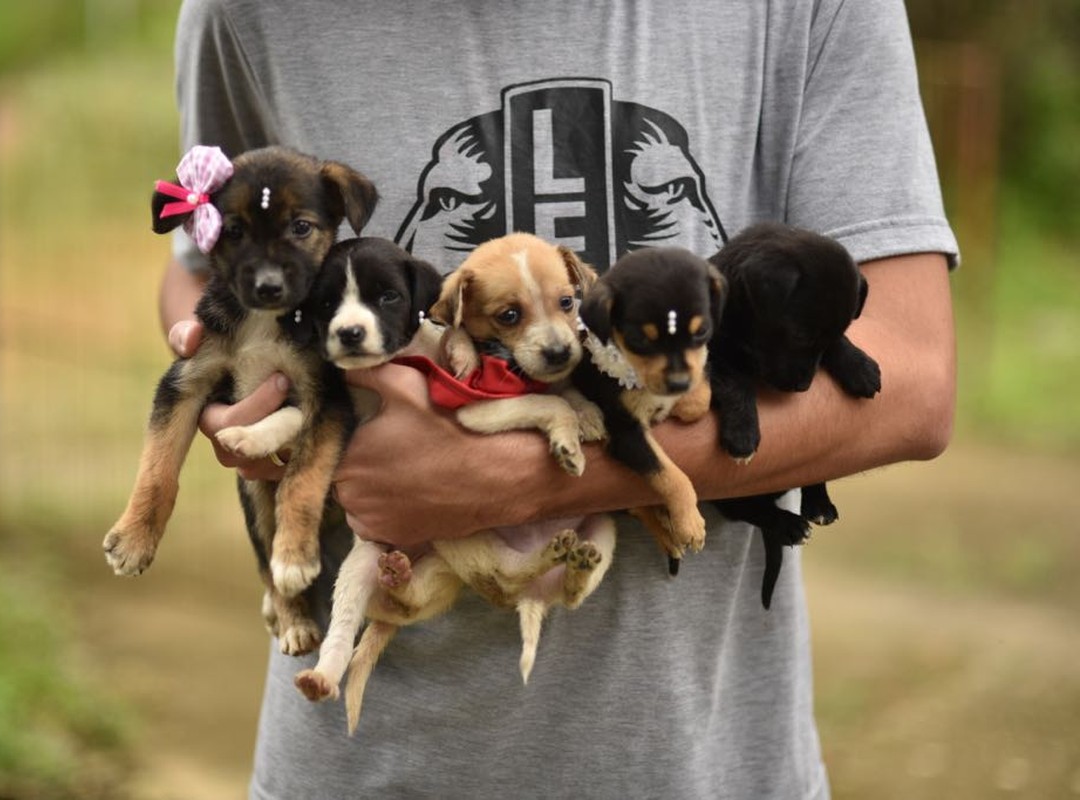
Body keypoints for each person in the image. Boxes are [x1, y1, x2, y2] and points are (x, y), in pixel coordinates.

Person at [159, 1, 958, 797]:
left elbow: (913, 379)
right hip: (360, 765)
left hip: (705, 763)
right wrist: (231, 392)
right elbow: (202, 269)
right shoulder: (248, 12)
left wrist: (528, 474)